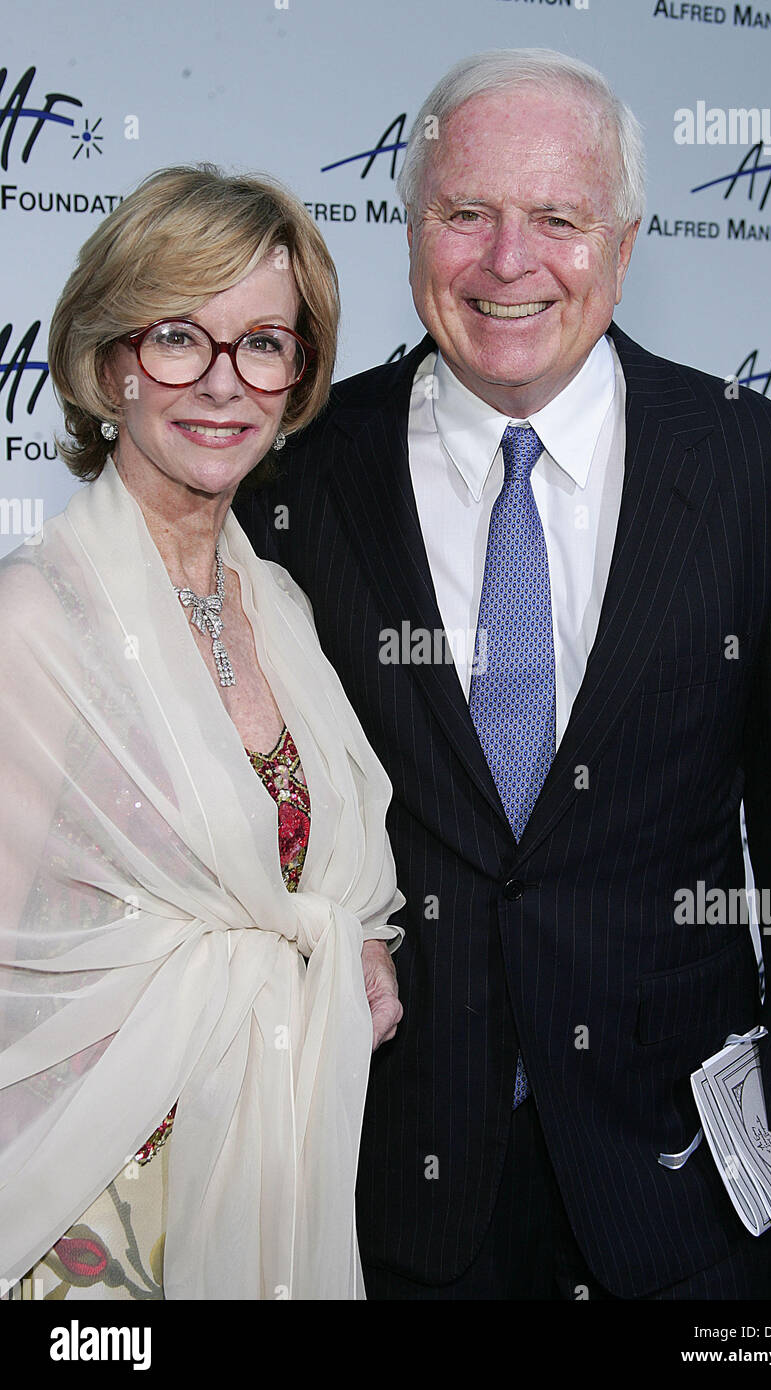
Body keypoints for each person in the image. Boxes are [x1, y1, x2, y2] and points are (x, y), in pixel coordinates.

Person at [235, 49, 771, 1300]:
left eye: (556, 220)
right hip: (383, 1163)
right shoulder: (292, 476)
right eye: (466, 214)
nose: (506, 261)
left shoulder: (764, 472)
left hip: (680, 1166)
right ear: (412, 233)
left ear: (622, 246)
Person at [0, 165, 404, 1302]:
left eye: (263, 343)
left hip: (261, 1177)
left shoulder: (276, 606)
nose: (223, 384)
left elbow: (306, 881)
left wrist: (350, 949)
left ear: (297, 372)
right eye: (180, 336)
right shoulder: (37, 617)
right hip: (84, 1212)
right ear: (113, 361)